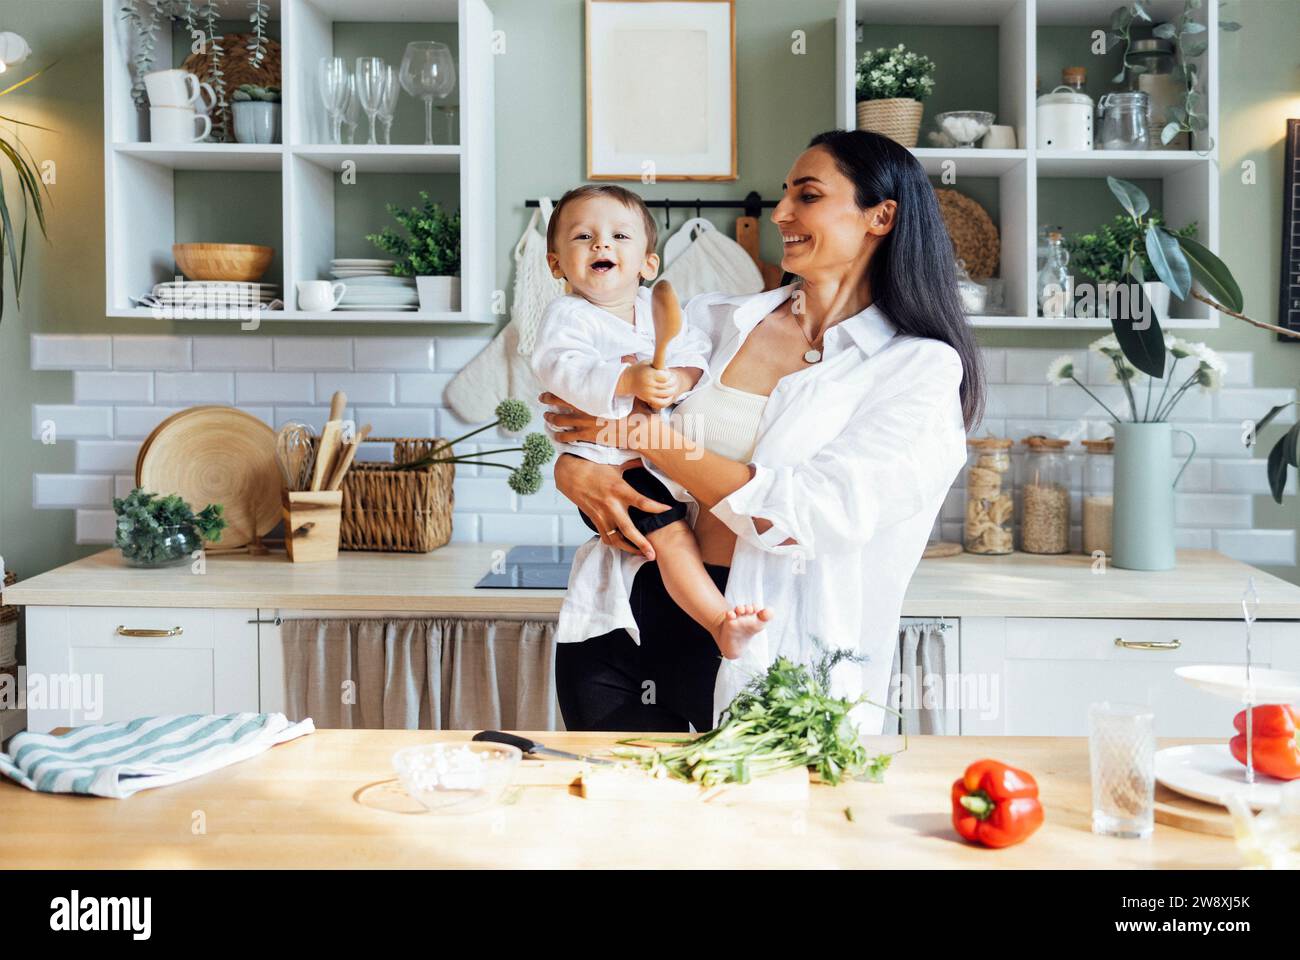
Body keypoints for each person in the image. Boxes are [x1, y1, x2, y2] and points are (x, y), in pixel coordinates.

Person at [546, 130, 985, 734]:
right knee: (612, 816)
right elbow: (584, 423)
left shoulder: (916, 367)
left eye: (807, 196)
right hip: (618, 614)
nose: (781, 213)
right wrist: (574, 470)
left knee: (756, 824)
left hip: (762, 644)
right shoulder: (714, 319)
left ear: (880, 217)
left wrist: (645, 437)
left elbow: (809, 514)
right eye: (784, 195)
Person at [532, 185, 772, 660]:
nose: (602, 245)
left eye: (619, 235)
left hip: (655, 459)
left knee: (681, 528)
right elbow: (560, 369)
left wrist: (679, 378)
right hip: (606, 465)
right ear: (556, 263)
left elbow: (697, 354)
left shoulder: (657, 312)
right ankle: (719, 622)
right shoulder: (568, 317)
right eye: (583, 237)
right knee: (672, 535)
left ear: (648, 264)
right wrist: (627, 378)